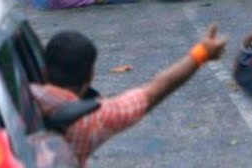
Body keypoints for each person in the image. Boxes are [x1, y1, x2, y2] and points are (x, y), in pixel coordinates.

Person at [30, 23, 227, 167]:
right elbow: (156, 90)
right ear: (90, 76)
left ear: (44, 71)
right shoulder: (92, 120)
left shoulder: (18, 98)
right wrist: (201, 52)